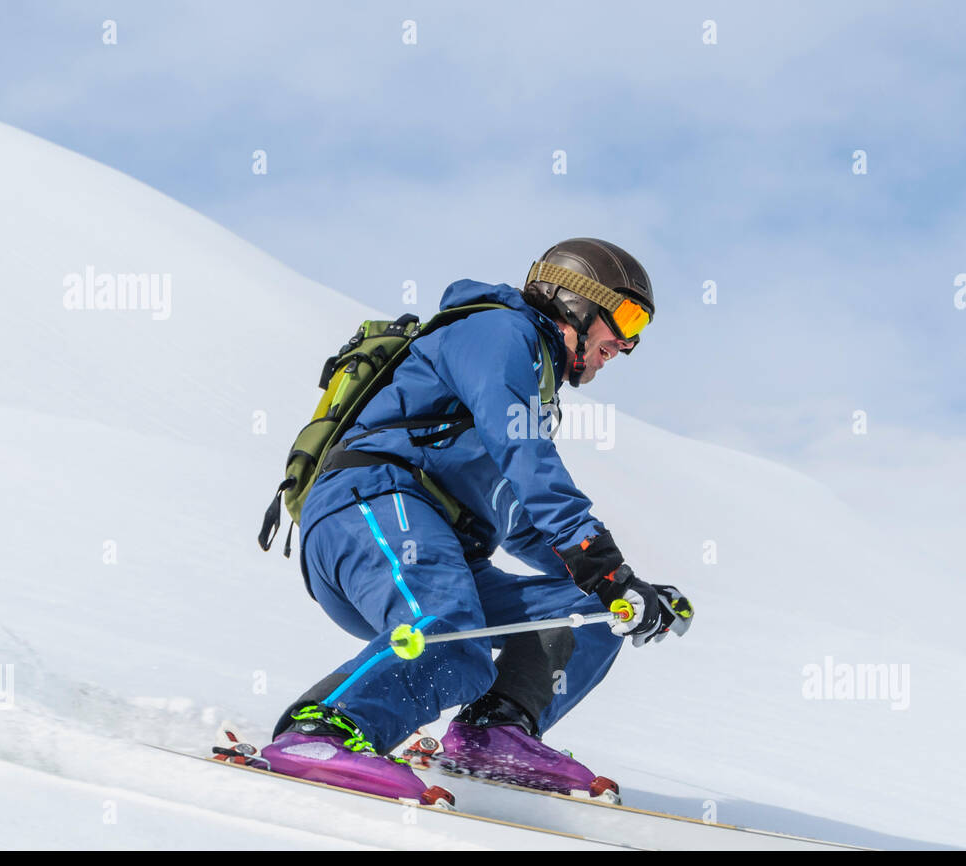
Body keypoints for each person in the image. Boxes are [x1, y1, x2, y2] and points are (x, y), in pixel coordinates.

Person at [261, 237, 693, 802]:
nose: (628, 343)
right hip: (370, 508)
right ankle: (321, 730)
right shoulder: (499, 333)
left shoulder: (532, 378)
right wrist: (601, 560)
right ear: (576, 300)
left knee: (595, 614)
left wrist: (622, 588)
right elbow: (529, 459)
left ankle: (495, 730)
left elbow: (520, 518)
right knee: (453, 627)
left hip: (441, 548)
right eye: (627, 318)